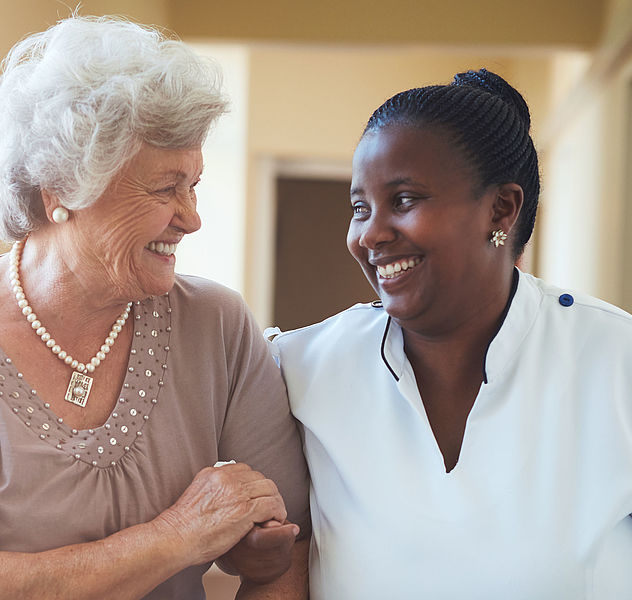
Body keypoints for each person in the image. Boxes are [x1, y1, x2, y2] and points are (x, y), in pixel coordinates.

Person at [0, 16, 310, 600]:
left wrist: (257, 553)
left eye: (194, 185)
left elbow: (291, 548)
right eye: (165, 188)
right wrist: (180, 535)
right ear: (61, 189)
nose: (191, 218)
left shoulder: (217, 326)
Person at [269, 69, 632, 598]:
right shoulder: (300, 370)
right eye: (360, 208)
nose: (369, 234)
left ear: (501, 209)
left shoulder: (615, 360)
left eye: (405, 199)